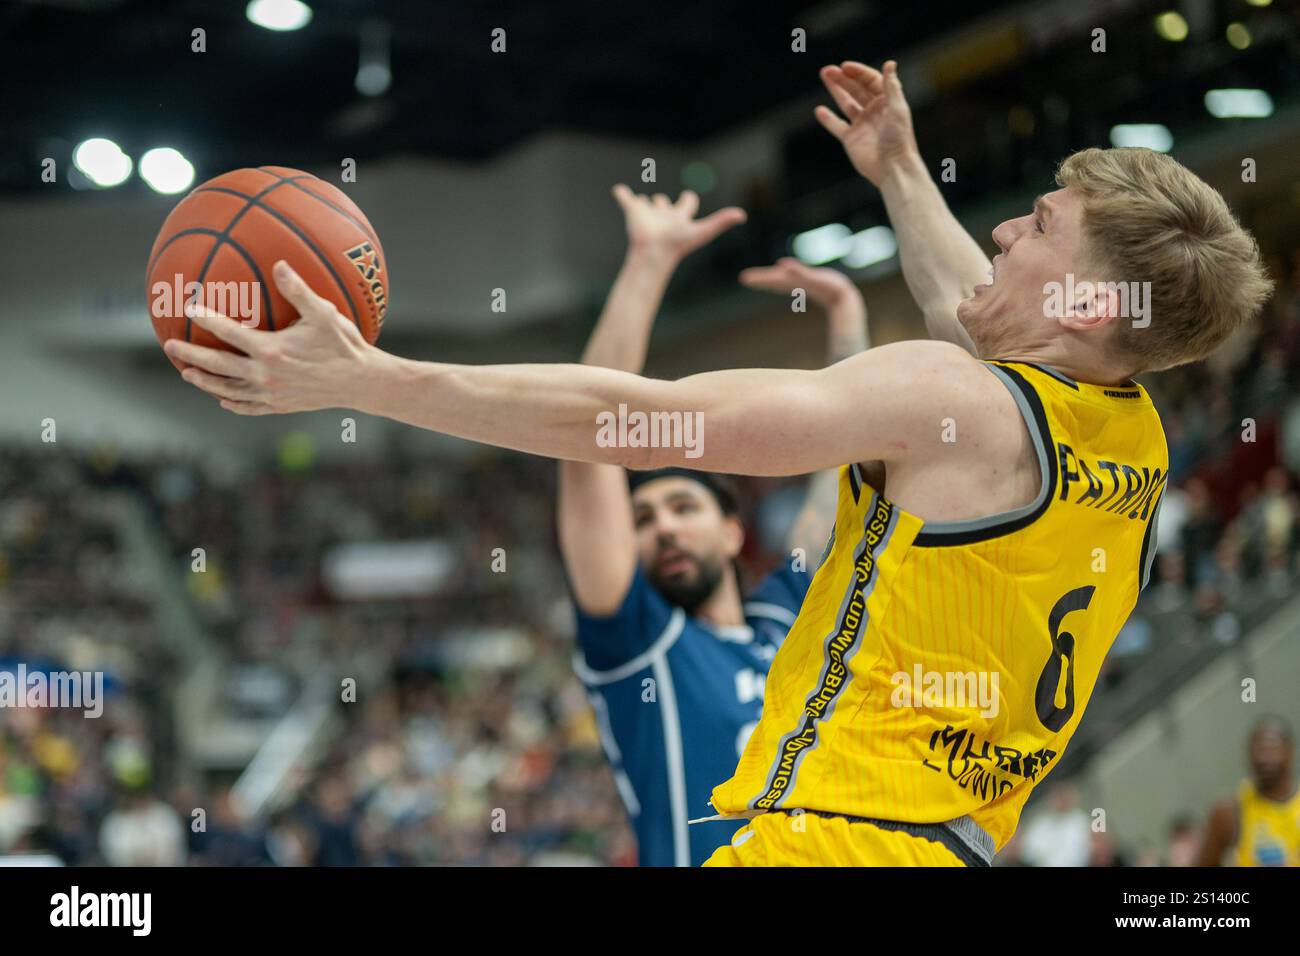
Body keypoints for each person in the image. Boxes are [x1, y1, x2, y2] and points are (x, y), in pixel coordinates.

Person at [165, 57, 1272, 866]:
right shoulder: (1127, 430)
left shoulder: (957, 401)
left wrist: (370, 378)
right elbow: (983, 318)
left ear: (1083, 302)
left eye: (1035, 224)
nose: (1002, 235)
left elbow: (638, 421)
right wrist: (895, 167)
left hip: (835, 839)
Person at [557, 186, 870, 865]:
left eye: (683, 508)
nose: (663, 528)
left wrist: (846, 314)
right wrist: (648, 263)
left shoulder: (787, 619)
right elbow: (584, 446)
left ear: (733, 533)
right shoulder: (639, 643)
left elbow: (844, 457)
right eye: (642, 518)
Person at [1199, 715, 1299, 865]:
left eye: (1270, 748)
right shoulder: (1229, 811)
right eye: (1257, 749)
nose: (1263, 758)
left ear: (1290, 751)